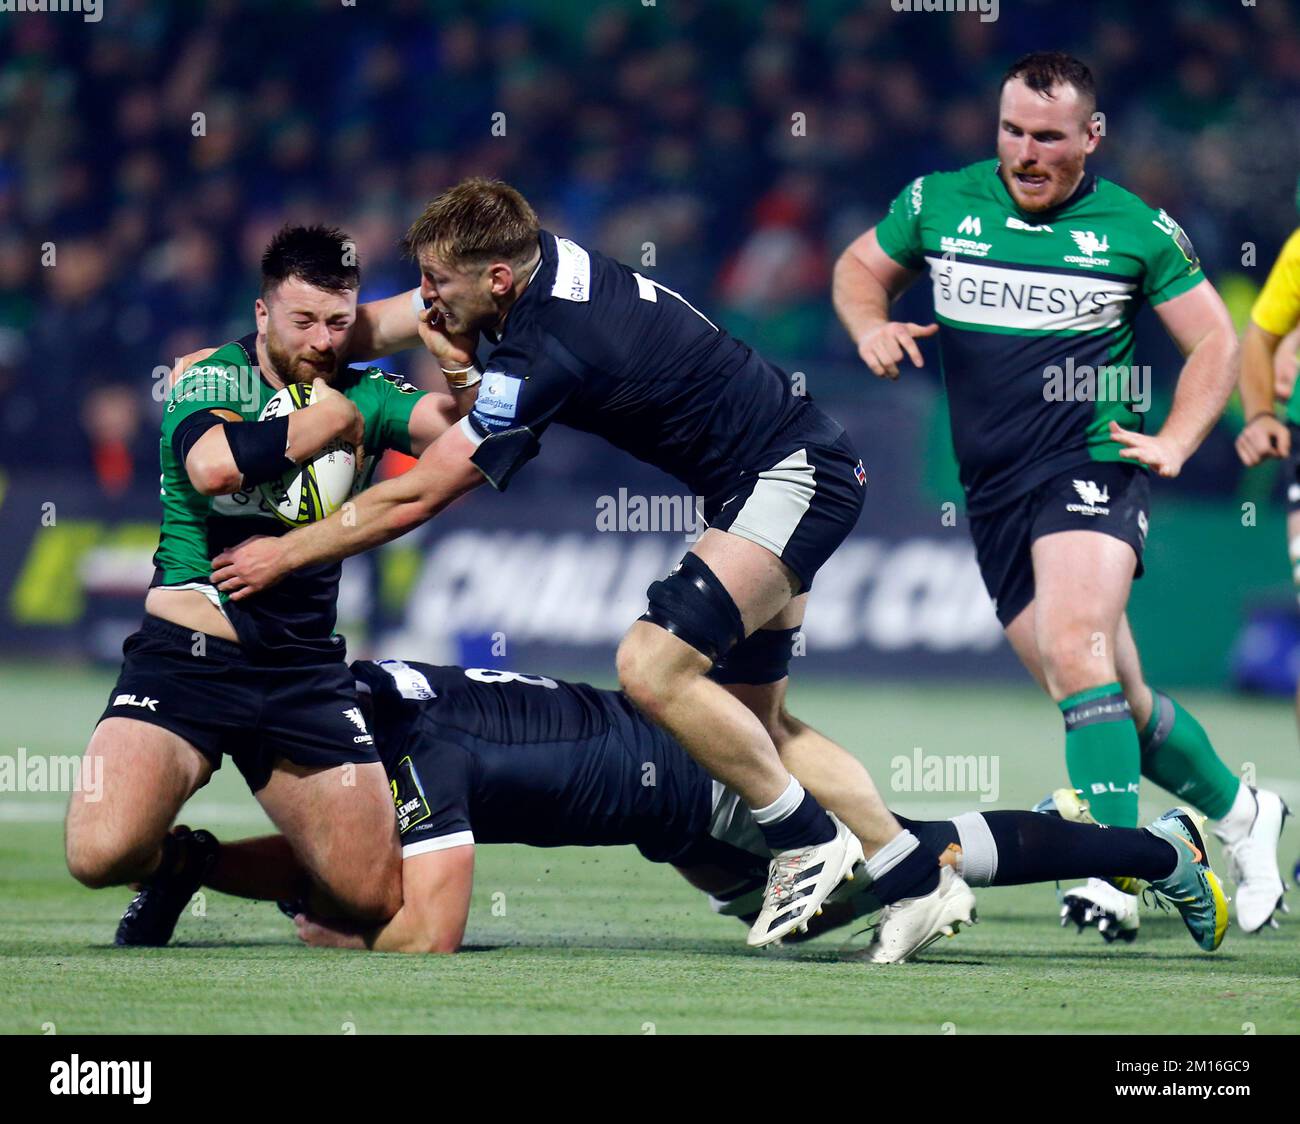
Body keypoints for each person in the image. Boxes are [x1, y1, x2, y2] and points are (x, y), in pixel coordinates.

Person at [210, 179, 948, 947]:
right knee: (759, 724)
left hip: (792, 476)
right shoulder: (535, 268)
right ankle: (911, 875)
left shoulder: (552, 345)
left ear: (498, 278)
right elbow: (361, 331)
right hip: (770, 479)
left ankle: (802, 838)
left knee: (652, 669)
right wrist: (241, 358)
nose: (424, 298)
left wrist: (285, 551)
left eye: (437, 282)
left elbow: (419, 495)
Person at [831, 50, 1286, 937]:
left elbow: (1216, 343)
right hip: (994, 489)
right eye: (1012, 131)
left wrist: (1179, 438)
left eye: (1048, 136)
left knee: (1081, 652)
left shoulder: (1138, 228)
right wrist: (869, 326)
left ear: (1091, 137)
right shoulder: (939, 202)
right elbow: (857, 269)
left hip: (1090, 462)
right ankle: (1242, 814)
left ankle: (1116, 868)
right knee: (1112, 693)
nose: (1027, 152)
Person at [164, 657, 1227, 962]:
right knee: (897, 861)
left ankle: (1157, 843)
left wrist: (343, 919)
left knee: (911, 858)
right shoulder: (393, 693)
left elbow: (427, 931)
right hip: (664, 807)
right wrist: (211, 864)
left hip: (689, 778)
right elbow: (345, 847)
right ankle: (1100, 835)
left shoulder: (420, 754)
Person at [66, 225, 467, 946]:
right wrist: (332, 420)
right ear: (261, 314)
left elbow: (466, 437)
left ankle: (191, 862)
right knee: (100, 854)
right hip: (186, 657)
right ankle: (157, 858)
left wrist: (458, 365)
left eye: (339, 324)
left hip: (301, 672)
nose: (321, 339)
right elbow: (213, 469)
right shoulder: (214, 377)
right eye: (303, 321)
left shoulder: (365, 391)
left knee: (370, 896)